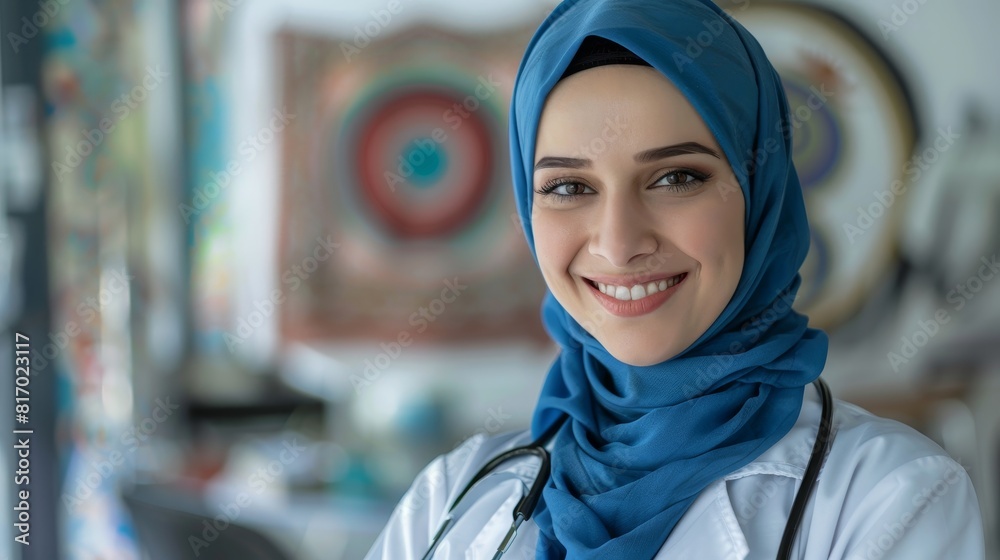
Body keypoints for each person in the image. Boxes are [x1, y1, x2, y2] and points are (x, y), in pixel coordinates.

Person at [364, 0, 986, 558]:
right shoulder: (450, 502)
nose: (619, 243)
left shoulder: (890, 500)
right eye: (569, 186)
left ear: (759, 194)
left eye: (675, 178)